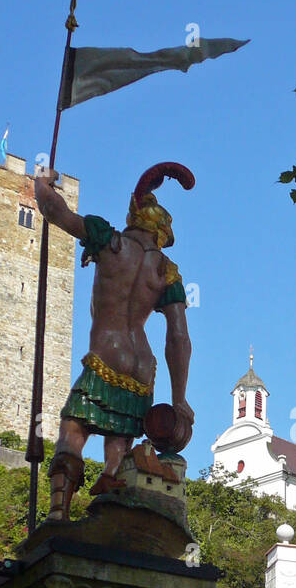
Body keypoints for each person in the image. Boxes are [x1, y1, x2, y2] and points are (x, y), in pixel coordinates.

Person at [34, 162, 196, 520]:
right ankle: (109, 503)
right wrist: (179, 398)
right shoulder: (166, 271)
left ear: (133, 218)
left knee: (72, 432)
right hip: (142, 370)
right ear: (160, 233)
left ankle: (57, 515)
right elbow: (179, 338)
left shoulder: (108, 240)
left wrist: (42, 183)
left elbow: (54, 211)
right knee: (119, 449)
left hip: (108, 356)